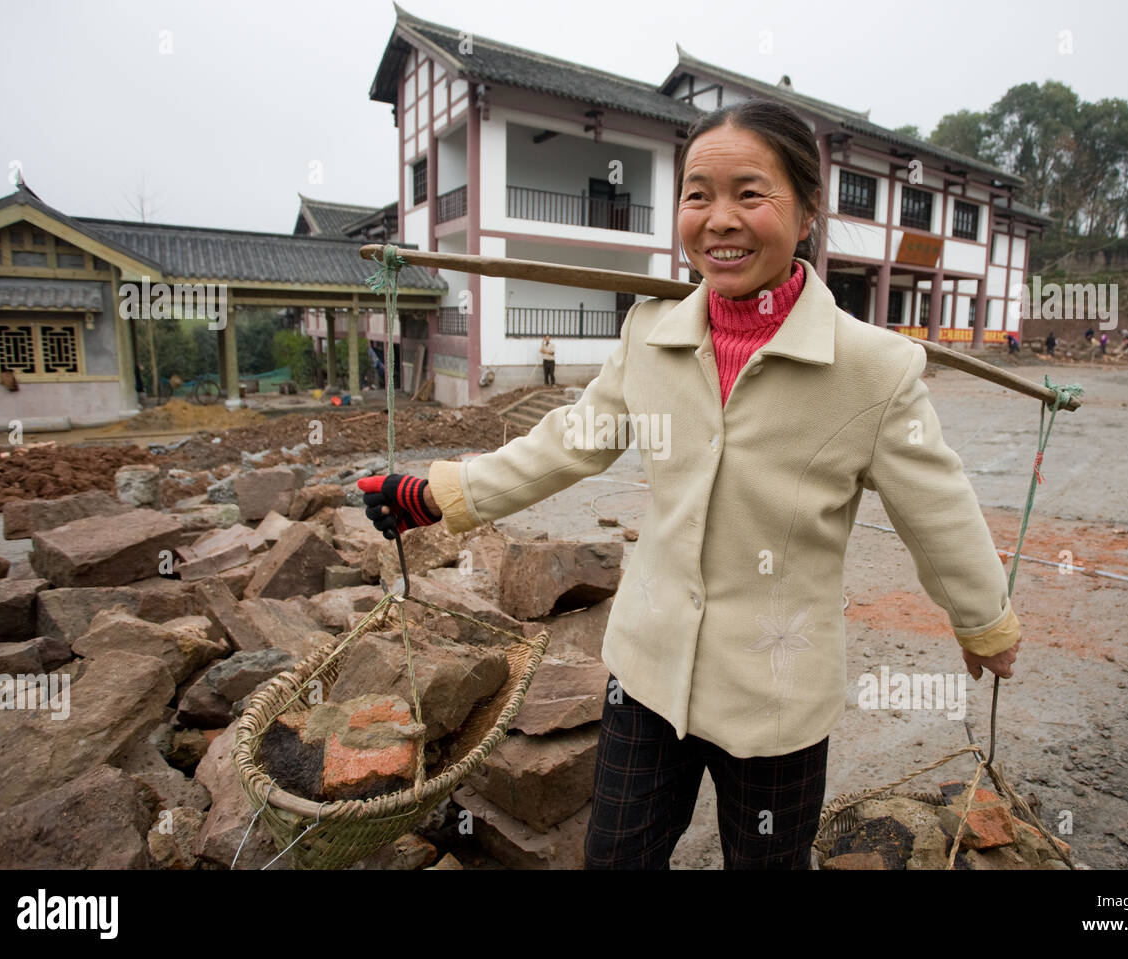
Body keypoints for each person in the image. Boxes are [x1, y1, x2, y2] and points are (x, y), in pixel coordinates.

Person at [357, 99, 1021, 870]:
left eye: (750, 192)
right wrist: (434, 495)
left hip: (778, 693)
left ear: (806, 212)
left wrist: (984, 619)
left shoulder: (872, 367)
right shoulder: (652, 333)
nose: (720, 218)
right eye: (698, 194)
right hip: (647, 672)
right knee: (616, 857)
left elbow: (935, 504)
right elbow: (569, 443)